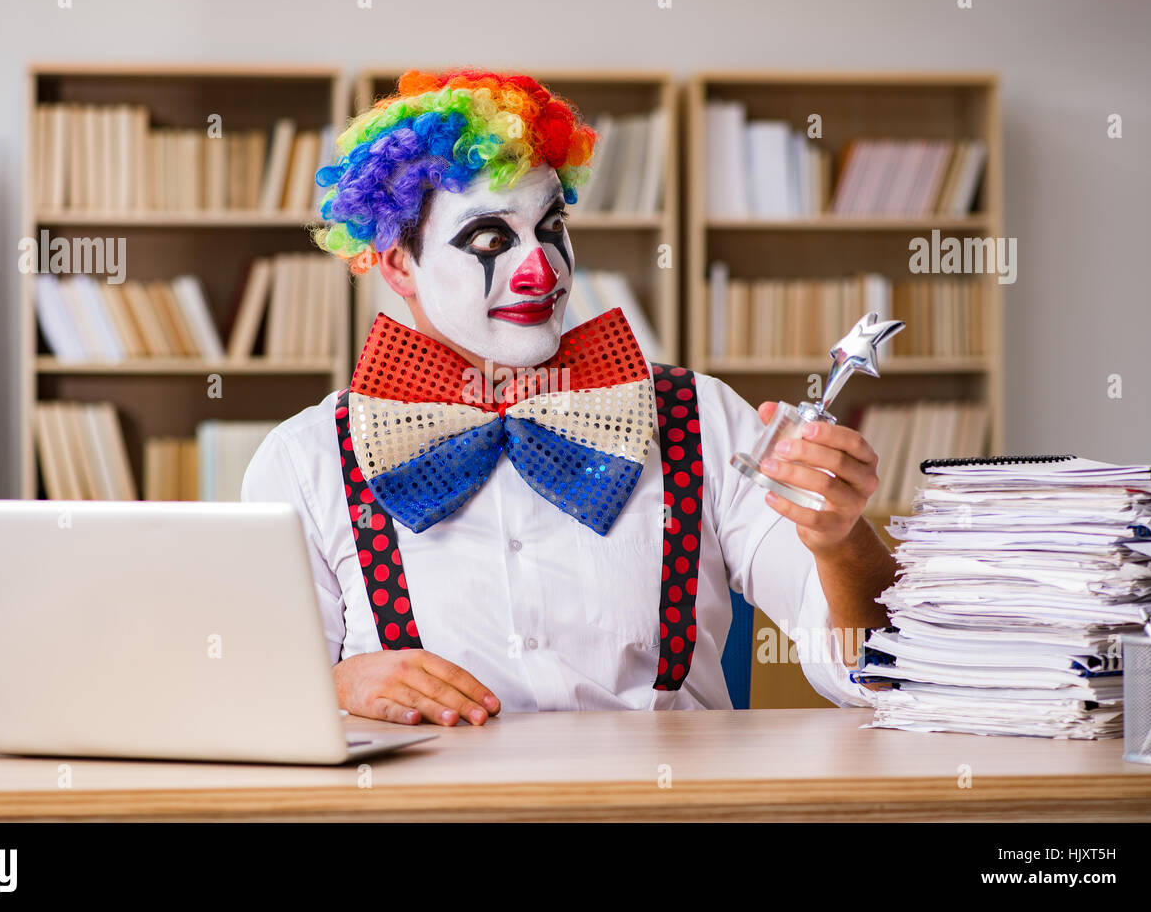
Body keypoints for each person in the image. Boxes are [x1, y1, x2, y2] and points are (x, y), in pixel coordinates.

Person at [242, 69, 897, 727]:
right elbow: (247, 704)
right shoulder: (305, 460)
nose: (543, 269)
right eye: (492, 239)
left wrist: (841, 542)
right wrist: (332, 684)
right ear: (396, 265)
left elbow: (873, 677)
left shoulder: (705, 418)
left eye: (551, 226)